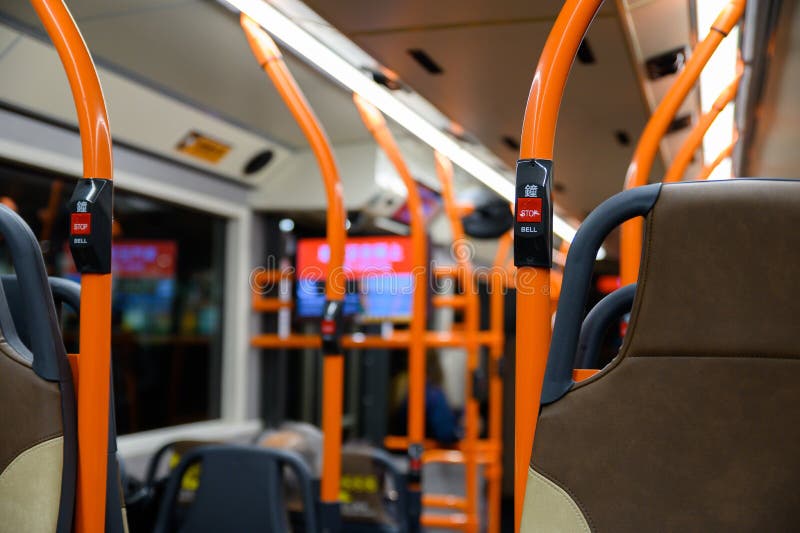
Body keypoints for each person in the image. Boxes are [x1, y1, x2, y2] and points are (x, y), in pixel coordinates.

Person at [392, 350, 461, 445]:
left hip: (400, 451)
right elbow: (446, 433)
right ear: (435, 364)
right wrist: (462, 430)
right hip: (426, 454)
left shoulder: (401, 386)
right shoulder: (432, 393)